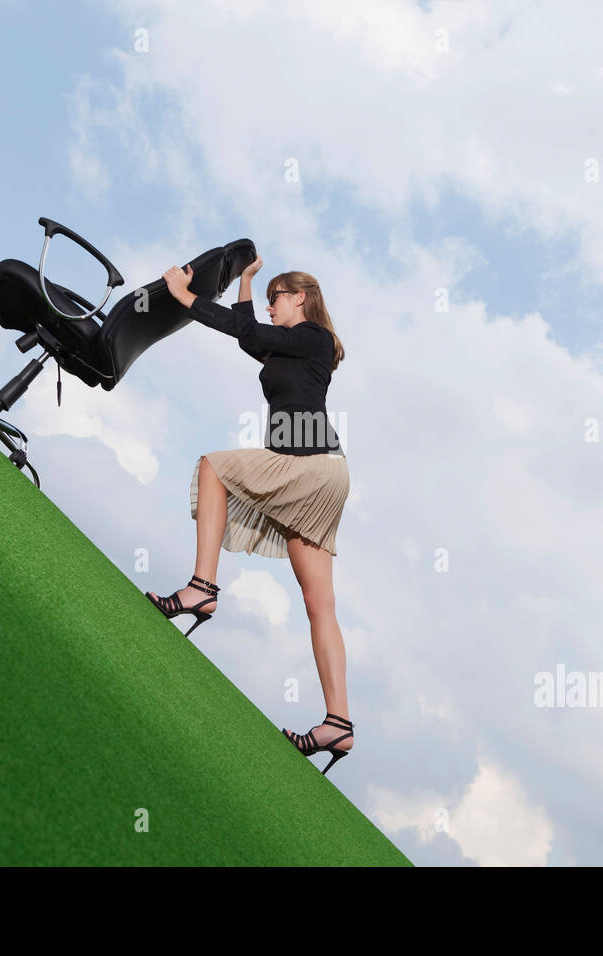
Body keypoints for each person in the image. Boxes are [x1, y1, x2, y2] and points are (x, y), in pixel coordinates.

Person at [145, 255, 356, 774]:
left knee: (213, 467)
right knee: (319, 604)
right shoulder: (287, 346)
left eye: (276, 296)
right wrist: (245, 281)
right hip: (322, 470)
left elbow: (240, 326)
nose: (269, 305)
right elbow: (245, 334)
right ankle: (339, 724)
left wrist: (183, 296)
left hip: (306, 462)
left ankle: (201, 588)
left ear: (301, 298)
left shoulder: (315, 339)